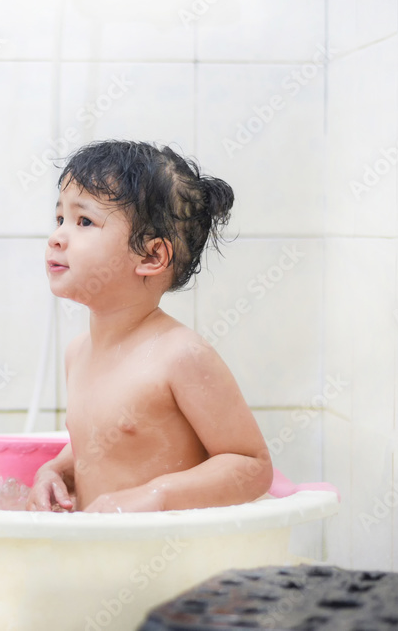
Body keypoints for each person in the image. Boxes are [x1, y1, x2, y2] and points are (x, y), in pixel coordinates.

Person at [26, 140, 272, 513]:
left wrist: (155, 495)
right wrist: (55, 471)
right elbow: (104, 444)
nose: (56, 236)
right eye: (60, 219)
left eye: (84, 221)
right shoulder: (78, 353)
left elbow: (252, 466)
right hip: (102, 552)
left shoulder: (180, 356)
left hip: (165, 555)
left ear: (152, 255)